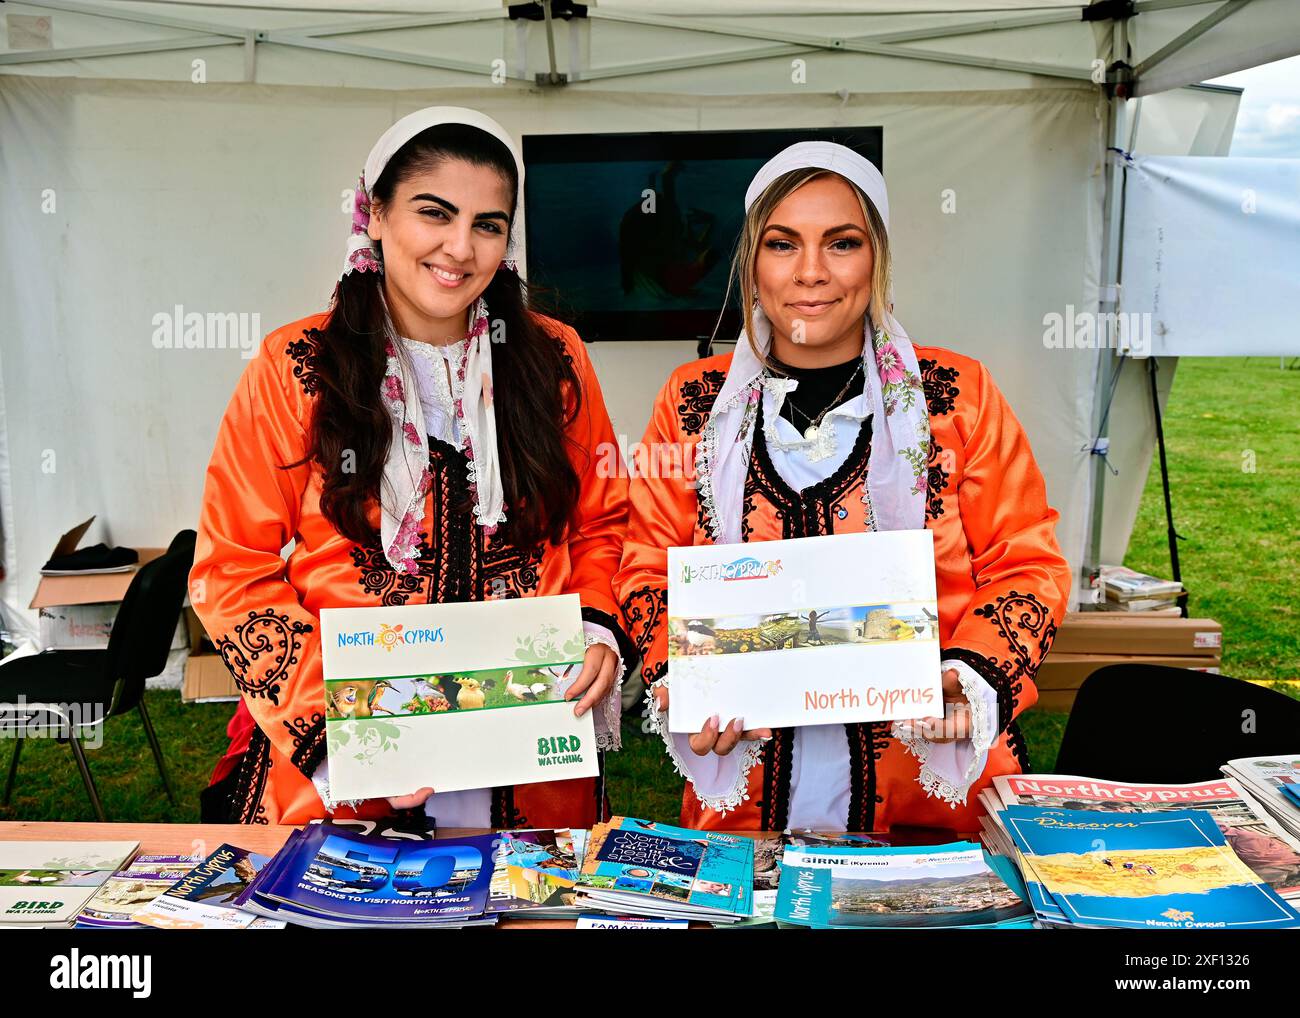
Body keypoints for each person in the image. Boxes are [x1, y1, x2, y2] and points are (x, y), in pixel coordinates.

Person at [192, 107, 635, 828]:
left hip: (531, 756)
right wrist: (337, 735)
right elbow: (232, 567)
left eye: (488, 224)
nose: (460, 248)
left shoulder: (554, 358)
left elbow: (602, 523)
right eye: (435, 213)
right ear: (374, 216)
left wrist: (595, 626)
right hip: (352, 764)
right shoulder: (296, 367)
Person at [615, 142, 1072, 833]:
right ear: (752, 263)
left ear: (877, 258)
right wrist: (682, 678)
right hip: (746, 794)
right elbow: (647, 562)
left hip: (927, 790)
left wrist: (967, 675)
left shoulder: (958, 399)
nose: (810, 272)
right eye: (782, 244)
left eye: (842, 243)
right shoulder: (692, 404)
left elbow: (1026, 563)